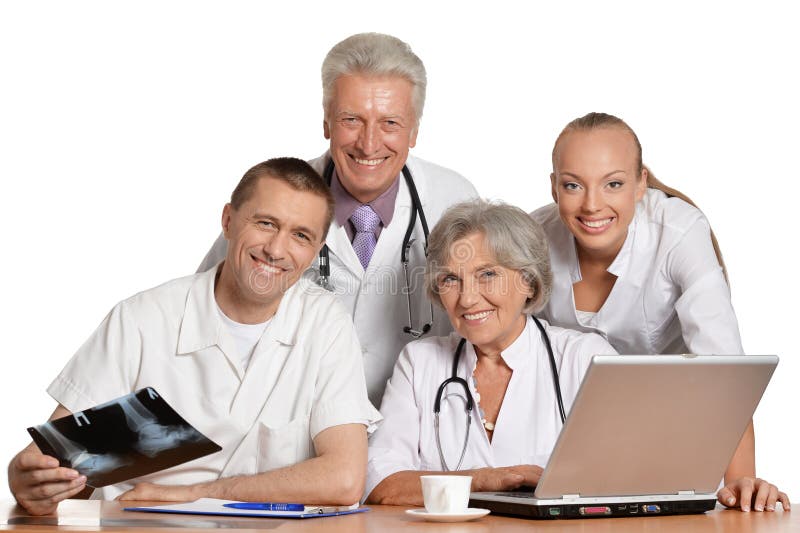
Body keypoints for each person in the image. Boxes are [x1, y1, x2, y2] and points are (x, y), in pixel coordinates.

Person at [8, 158, 381, 516]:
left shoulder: (325, 324)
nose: (276, 249)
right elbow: (51, 463)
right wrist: (29, 484)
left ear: (315, 251)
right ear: (228, 220)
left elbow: (344, 479)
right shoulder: (142, 319)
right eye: (266, 223)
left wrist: (191, 495)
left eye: (300, 235)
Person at [198, 33, 478, 407]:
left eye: (390, 123)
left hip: (418, 427)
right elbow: (203, 308)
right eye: (351, 120)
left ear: (414, 131)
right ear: (327, 121)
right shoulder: (275, 197)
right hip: (294, 425)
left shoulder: (455, 199)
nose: (368, 143)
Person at [532, 112, 790, 512]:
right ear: (553, 187)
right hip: (565, 441)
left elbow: (724, 371)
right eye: (572, 185)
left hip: (669, 431)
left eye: (613, 183)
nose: (592, 204)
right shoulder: (534, 238)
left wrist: (740, 485)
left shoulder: (680, 233)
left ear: (641, 184)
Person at [364, 200, 616, 505]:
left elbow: (632, 473)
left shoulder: (585, 358)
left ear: (528, 281)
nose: (467, 299)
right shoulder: (419, 362)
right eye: (450, 279)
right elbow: (381, 483)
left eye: (487, 275)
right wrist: (482, 480)